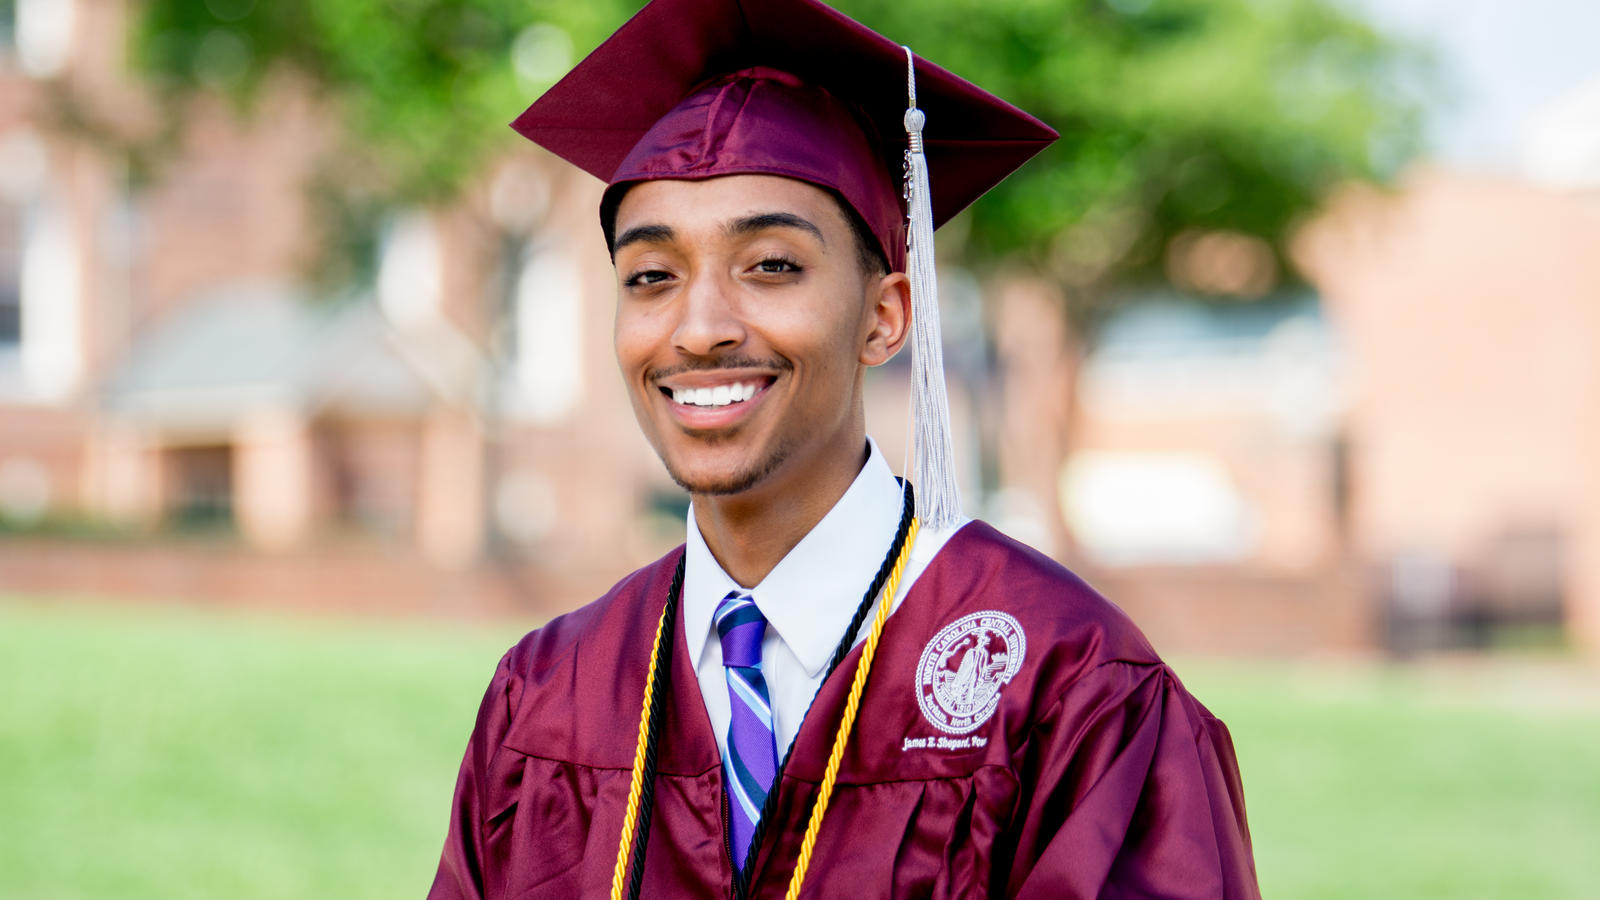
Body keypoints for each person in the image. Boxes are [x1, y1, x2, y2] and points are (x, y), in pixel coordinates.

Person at [429, 0, 1260, 897]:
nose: (700, 329)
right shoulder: (547, 698)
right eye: (652, 278)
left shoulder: (1070, 688)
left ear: (885, 315)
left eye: (772, 266)